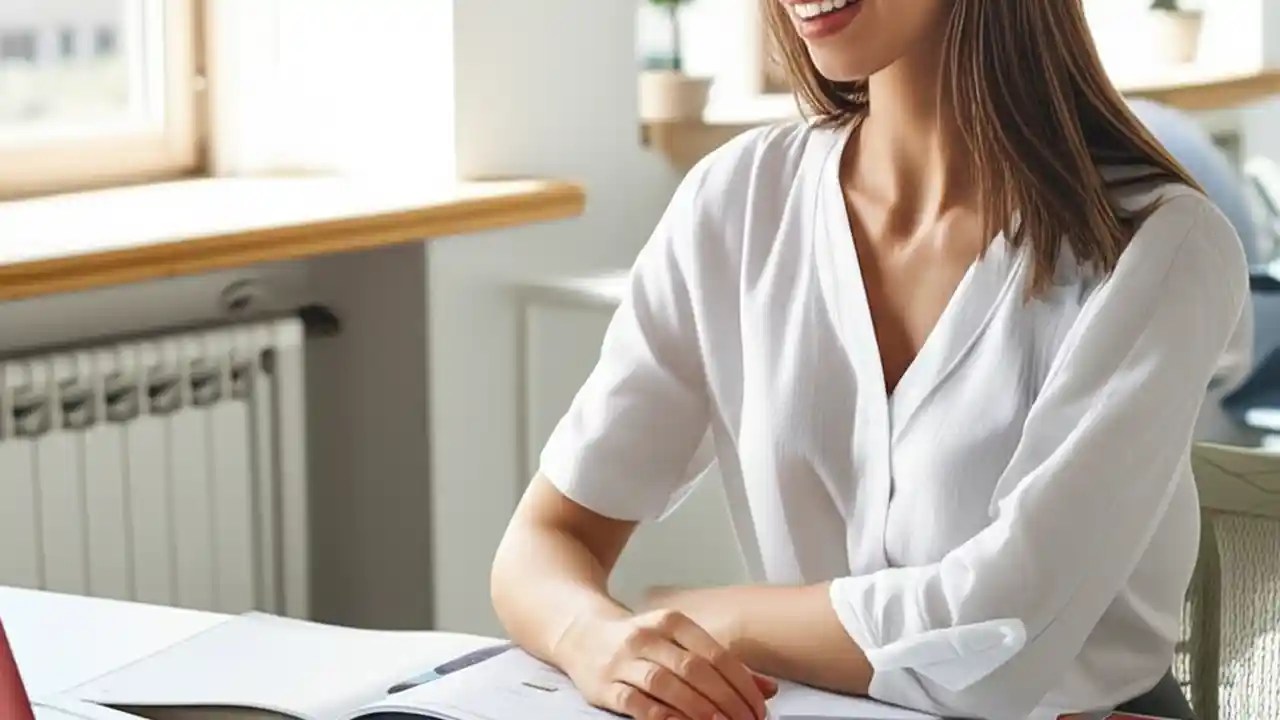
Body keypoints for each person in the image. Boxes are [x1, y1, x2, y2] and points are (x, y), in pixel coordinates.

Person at [491, 1, 1248, 719]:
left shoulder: (1162, 247)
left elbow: (999, 640)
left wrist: (706, 615)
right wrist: (593, 638)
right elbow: (544, 542)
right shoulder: (738, 203)